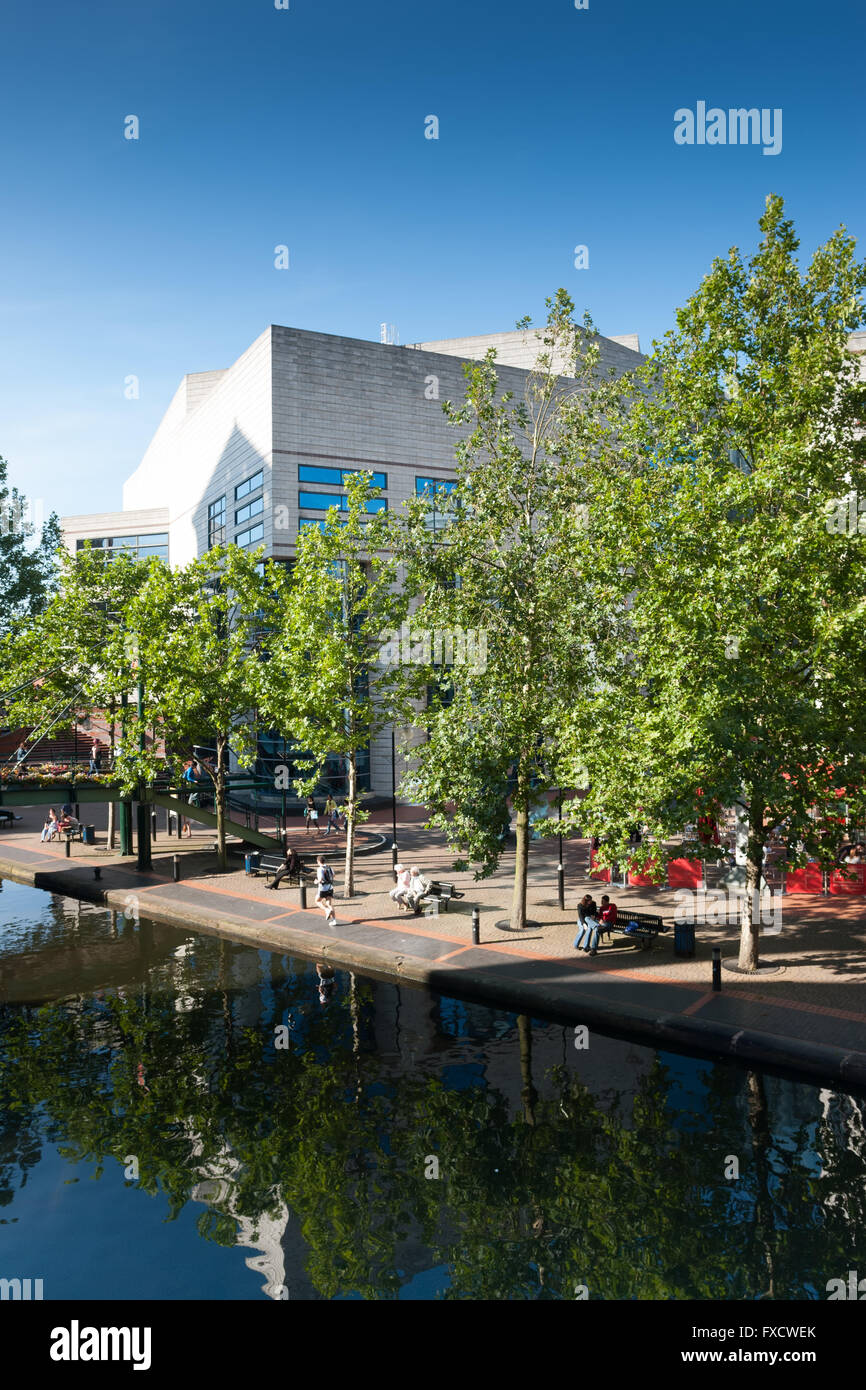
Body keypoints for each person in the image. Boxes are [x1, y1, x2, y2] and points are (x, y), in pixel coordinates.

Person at [313, 855, 336, 925]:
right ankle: (334, 921)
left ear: (318, 861)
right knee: (329, 903)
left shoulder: (320, 869)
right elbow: (334, 875)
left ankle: (326, 910)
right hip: (330, 887)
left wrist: (315, 881)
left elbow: (320, 880)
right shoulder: (329, 867)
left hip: (323, 889)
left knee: (317, 901)